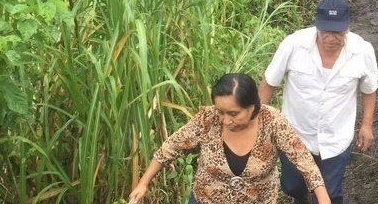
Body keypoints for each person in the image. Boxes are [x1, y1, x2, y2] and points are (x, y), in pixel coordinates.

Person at [128, 73, 331, 204]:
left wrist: (323, 198)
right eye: (220, 111)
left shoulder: (272, 121)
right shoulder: (207, 119)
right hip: (205, 199)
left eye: (234, 114)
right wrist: (143, 183)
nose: (226, 120)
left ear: (253, 106)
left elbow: (303, 159)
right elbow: (170, 148)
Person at [260, 0, 378, 204]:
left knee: (329, 195)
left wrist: (366, 125)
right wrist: (258, 124)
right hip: (295, 136)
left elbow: (369, 90)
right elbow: (270, 82)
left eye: (337, 32)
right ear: (317, 26)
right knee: (292, 186)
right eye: (325, 32)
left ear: (347, 28)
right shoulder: (293, 45)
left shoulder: (362, 52)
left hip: (335, 139)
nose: (331, 39)